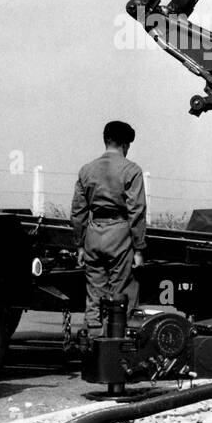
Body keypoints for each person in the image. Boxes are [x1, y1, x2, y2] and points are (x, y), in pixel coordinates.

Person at [70, 120, 147, 336]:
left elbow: (78, 213)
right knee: (121, 294)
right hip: (120, 234)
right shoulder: (131, 170)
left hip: (93, 234)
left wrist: (80, 245)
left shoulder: (86, 170)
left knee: (94, 294)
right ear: (125, 144)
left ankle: (92, 340)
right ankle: (114, 349)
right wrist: (139, 249)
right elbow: (137, 211)